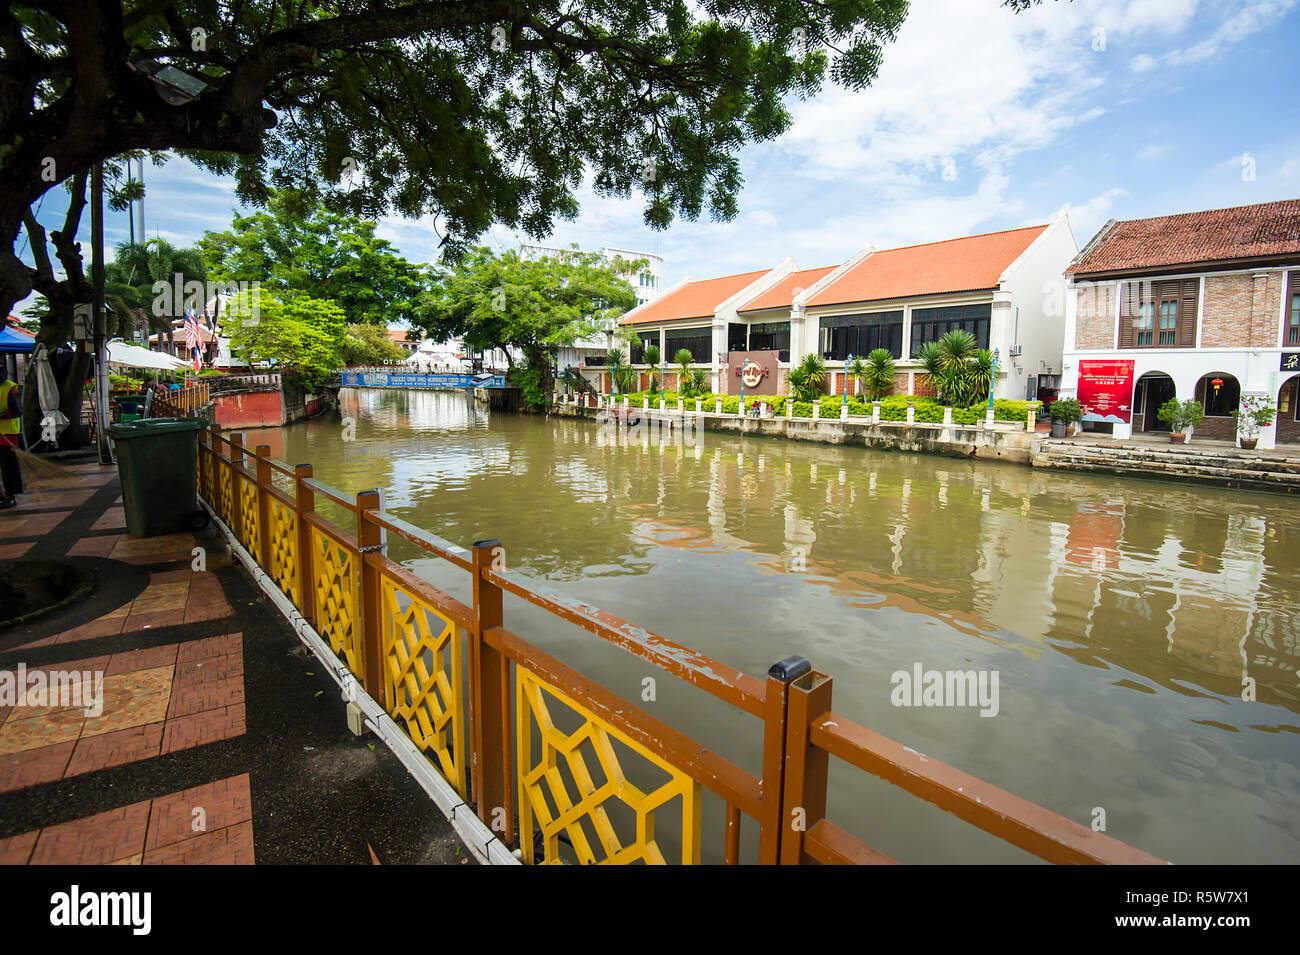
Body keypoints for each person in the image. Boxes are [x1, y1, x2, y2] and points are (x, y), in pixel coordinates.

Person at [0, 374, 22, 508]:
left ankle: (10, 496)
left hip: (8, 434)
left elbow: (17, 410)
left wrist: (2, 415)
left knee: (8, 467)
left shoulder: (10, 388)